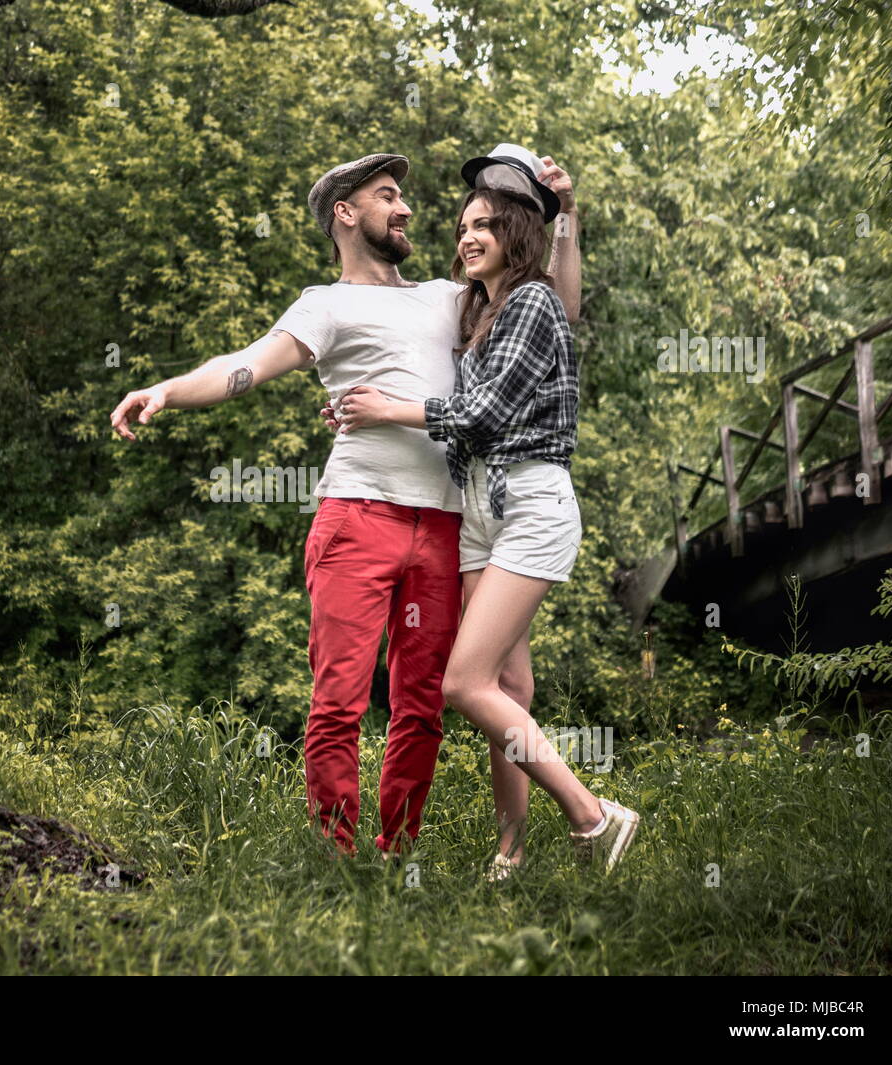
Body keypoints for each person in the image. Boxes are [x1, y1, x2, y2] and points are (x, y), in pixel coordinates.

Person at [109, 150, 581, 859]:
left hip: (451, 522)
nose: (407, 209)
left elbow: (557, 308)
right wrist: (168, 391)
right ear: (345, 212)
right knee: (340, 699)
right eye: (389, 196)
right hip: (358, 515)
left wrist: (567, 216)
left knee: (425, 704)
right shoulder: (322, 305)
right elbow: (247, 365)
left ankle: (399, 854)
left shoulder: (450, 297)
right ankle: (335, 855)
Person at [332, 145, 640, 873]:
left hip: (530, 500)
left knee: (463, 684)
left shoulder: (532, 301)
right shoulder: (480, 304)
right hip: (479, 508)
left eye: (485, 225)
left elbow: (485, 413)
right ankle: (511, 852)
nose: (467, 236)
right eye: (463, 224)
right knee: (508, 686)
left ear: (517, 232)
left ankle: (593, 817)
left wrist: (389, 411)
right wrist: (357, 403)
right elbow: (422, 370)